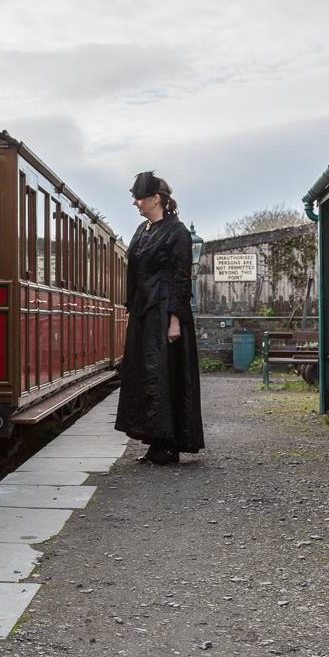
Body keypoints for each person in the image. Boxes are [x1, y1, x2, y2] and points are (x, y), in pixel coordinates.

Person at [115, 171, 204, 464]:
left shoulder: (177, 233)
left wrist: (175, 319)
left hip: (165, 309)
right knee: (145, 375)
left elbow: (181, 277)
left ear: (157, 199)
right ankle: (154, 440)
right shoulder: (143, 231)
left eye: (140, 198)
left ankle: (170, 443)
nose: (136, 203)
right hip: (144, 310)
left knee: (165, 375)